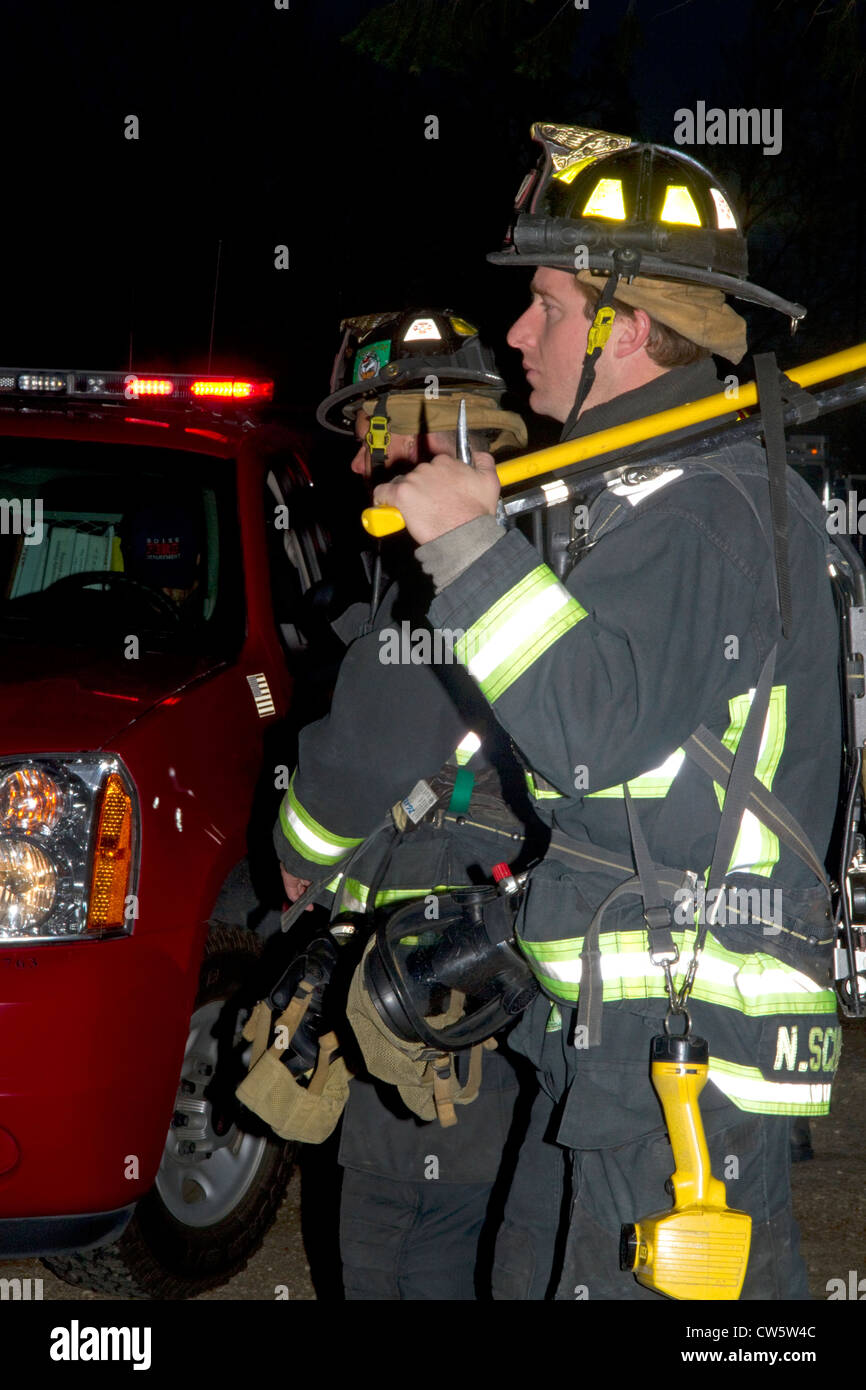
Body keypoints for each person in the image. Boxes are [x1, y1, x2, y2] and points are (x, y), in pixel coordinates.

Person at [372, 124, 841, 1300]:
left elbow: (590, 728)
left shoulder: (704, 506)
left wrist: (470, 549)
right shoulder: (665, 496)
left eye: (543, 304)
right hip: (629, 1044)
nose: (517, 335)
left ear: (625, 331)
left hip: (686, 1060)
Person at [273, 309, 564, 1300]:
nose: (359, 466)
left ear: (426, 427)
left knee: (399, 1251)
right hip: (513, 966)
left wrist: (299, 855)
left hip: (435, 977)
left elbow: (345, 784)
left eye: (370, 435)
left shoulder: (451, 574)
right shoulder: (547, 529)